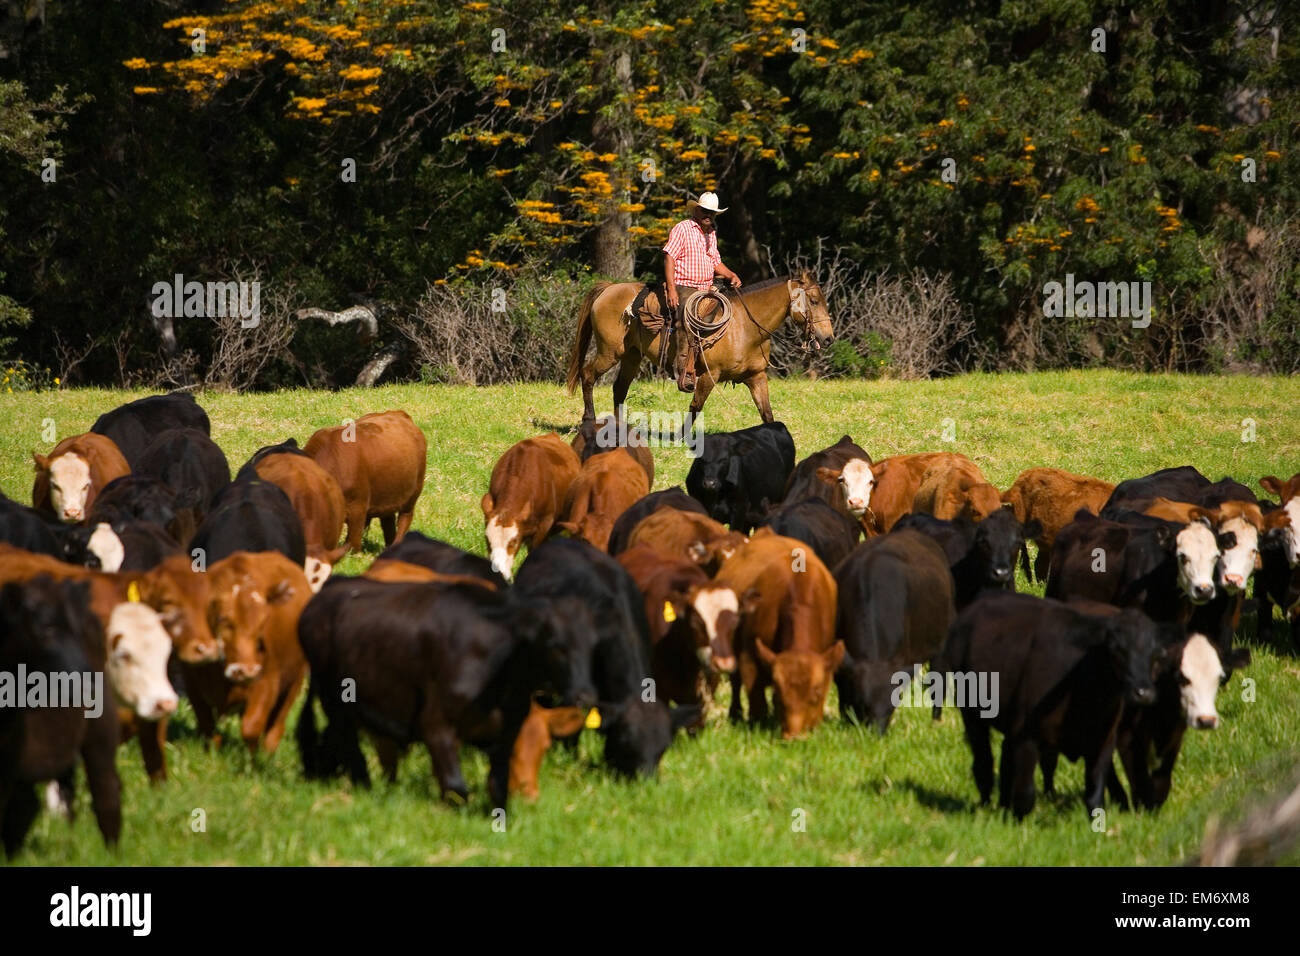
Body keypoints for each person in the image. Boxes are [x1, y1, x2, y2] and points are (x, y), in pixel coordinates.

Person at [662, 191, 743, 392]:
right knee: (687, 320)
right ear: (697, 210)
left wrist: (731, 274)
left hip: (707, 286)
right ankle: (683, 371)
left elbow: (715, 262)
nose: (709, 215)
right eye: (705, 211)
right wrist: (672, 289)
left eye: (712, 213)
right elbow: (669, 257)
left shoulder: (711, 233)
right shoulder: (683, 228)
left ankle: (717, 362)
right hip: (685, 285)